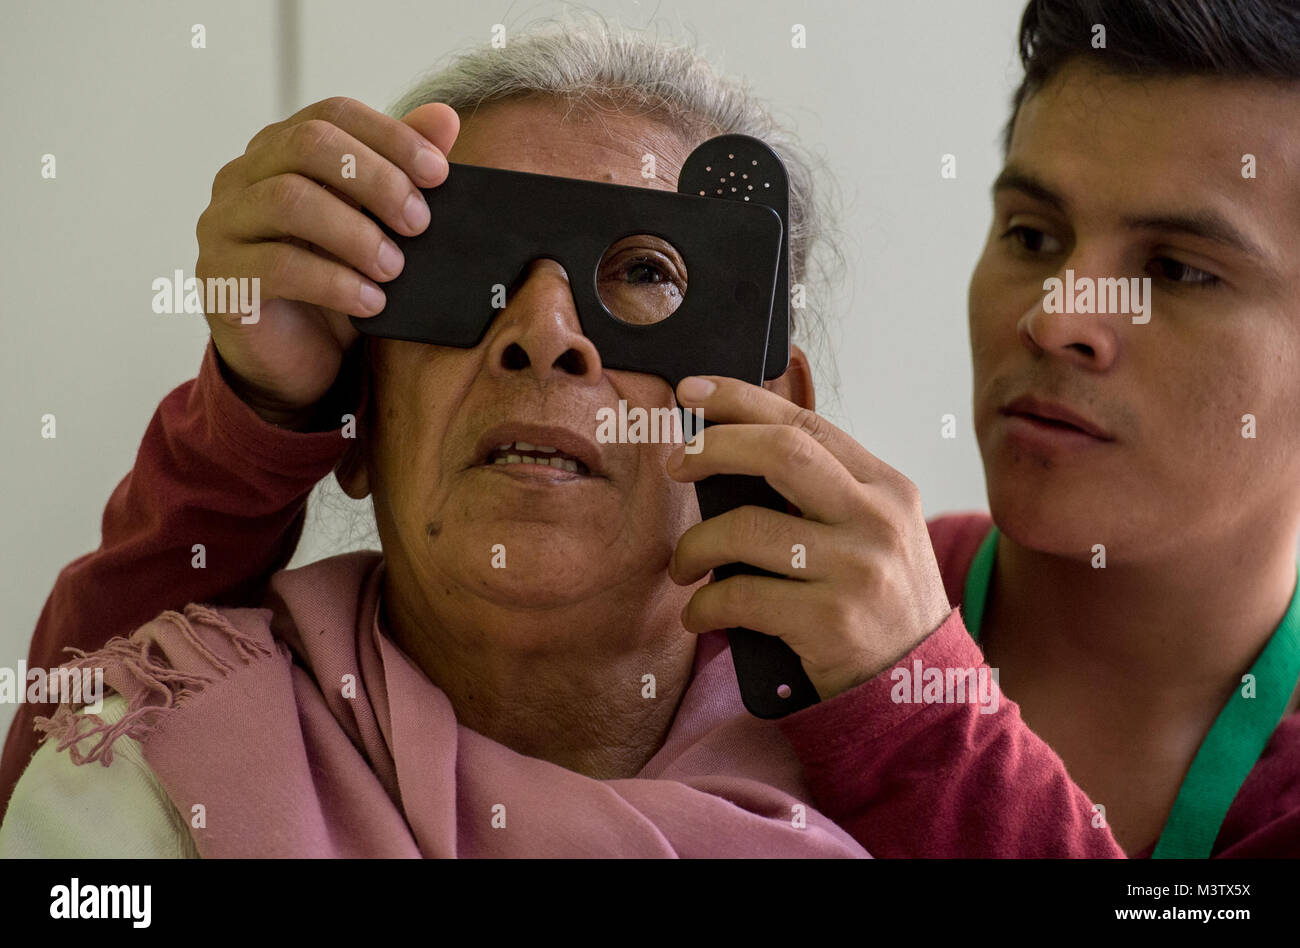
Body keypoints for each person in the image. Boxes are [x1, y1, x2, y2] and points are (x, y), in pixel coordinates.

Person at [5, 0, 1299, 858]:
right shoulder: (845, 604)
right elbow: (78, 745)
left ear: (772, 411)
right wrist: (257, 411)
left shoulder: (868, 670)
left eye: (1183, 269)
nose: (1065, 313)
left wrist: (916, 700)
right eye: (1028, 234)